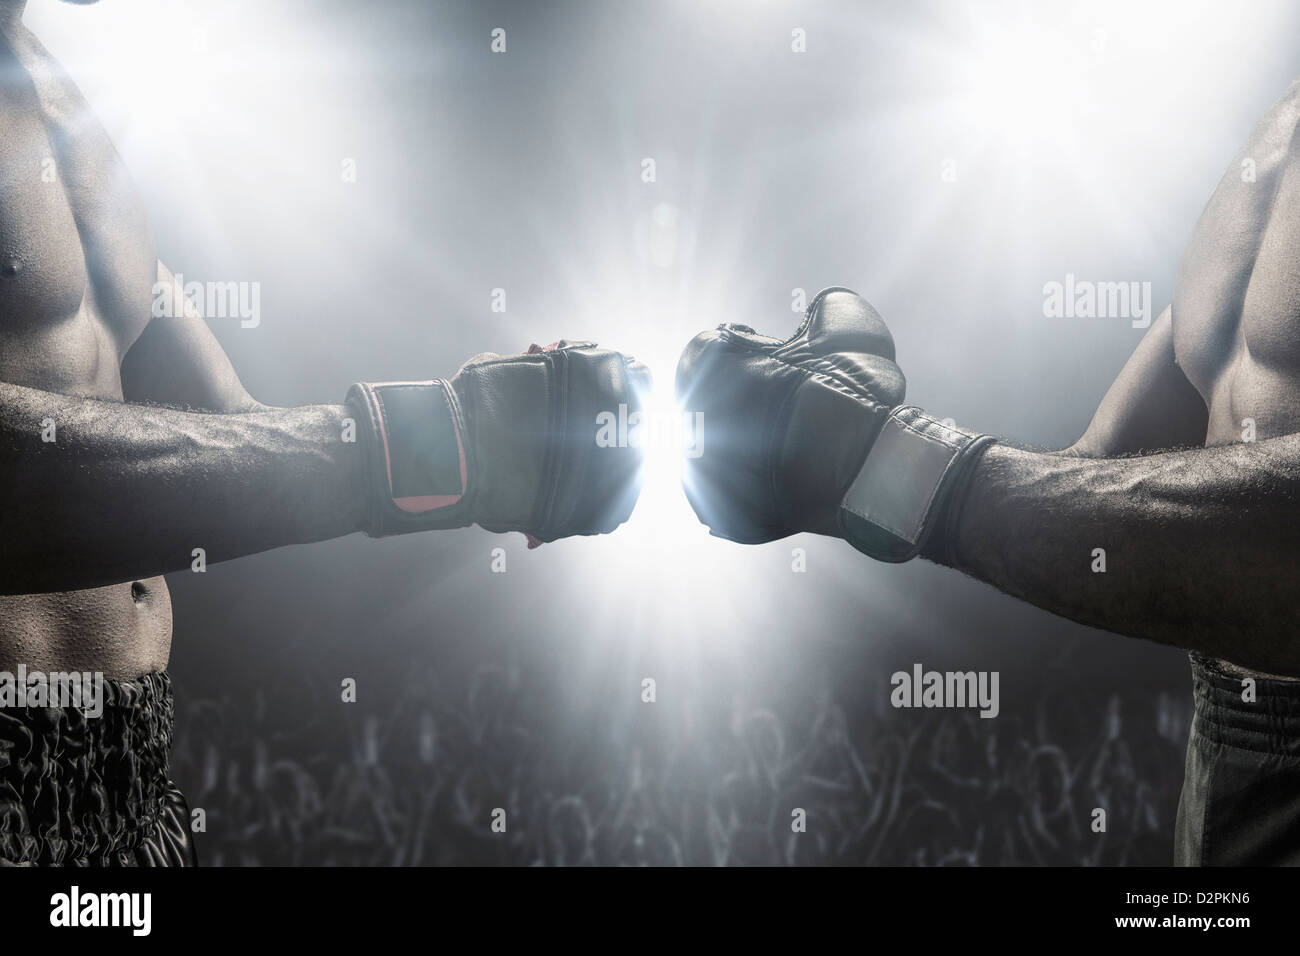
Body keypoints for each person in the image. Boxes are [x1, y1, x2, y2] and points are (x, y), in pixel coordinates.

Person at [0, 0, 648, 865]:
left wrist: (511, 435)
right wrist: (469, 445)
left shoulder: (58, 84)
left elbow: (236, 431)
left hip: (131, 769)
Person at [677, 78, 1300, 867]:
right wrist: (824, 464)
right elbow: (1096, 476)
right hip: (1225, 742)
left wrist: (871, 455)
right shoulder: (1274, 136)